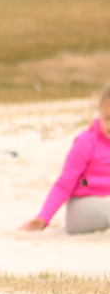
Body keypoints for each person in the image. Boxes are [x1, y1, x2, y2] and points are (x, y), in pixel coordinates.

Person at [21, 85, 110, 235]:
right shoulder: (86, 142)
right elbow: (64, 184)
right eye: (108, 118)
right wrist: (43, 218)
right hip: (81, 209)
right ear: (99, 115)